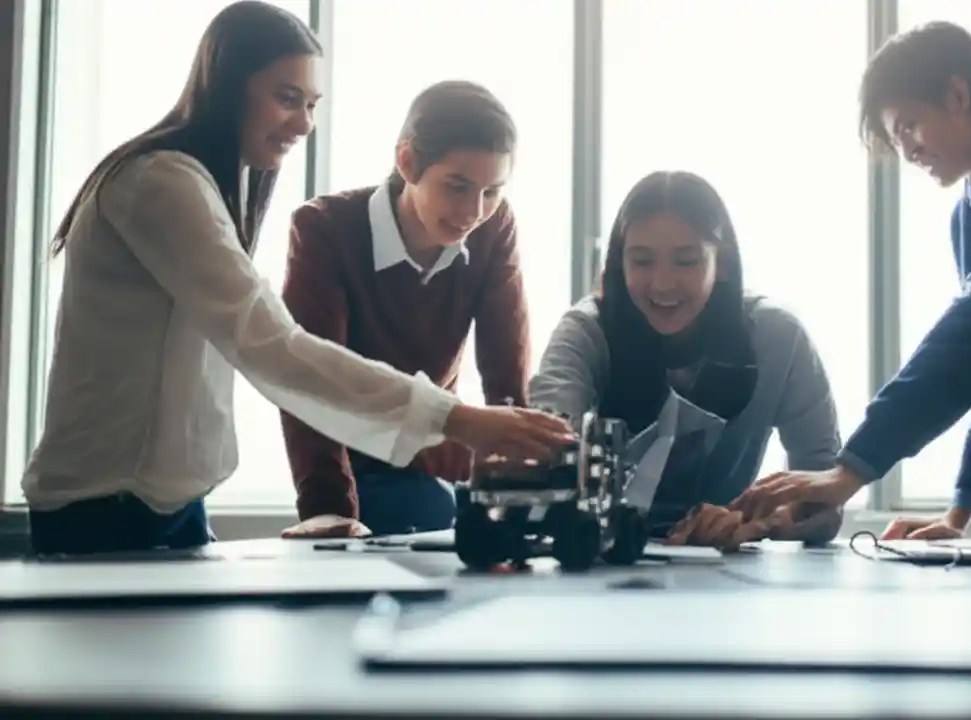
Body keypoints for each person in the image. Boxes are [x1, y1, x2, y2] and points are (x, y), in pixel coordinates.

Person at [21, 0, 572, 556]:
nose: (305, 123)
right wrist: (456, 420)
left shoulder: (207, 186)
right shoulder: (161, 184)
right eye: (287, 98)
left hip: (170, 506)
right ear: (228, 84)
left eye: (311, 104)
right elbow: (276, 348)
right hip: (104, 509)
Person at [732, 21, 971, 549]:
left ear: (958, 94)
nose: (909, 151)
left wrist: (853, 467)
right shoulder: (969, 213)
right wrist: (960, 512)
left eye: (910, 127)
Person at [529, 170, 842, 548]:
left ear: (721, 263)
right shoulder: (588, 330)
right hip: (604, 556)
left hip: (726, 570)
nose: (663, 284)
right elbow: (544, 438)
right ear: (617, 264)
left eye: (686, 261)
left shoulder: (777, 337)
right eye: (642, 262)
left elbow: (826, 494)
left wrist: (758, 520)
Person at [279, 81, 531, 539]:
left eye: (492, 191)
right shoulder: (324, 229)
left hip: (436, 453)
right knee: (417, 507)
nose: (474, 211)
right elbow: (309, 378)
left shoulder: (495, 228)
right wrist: (327, 508)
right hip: (350, 458)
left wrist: (521, 479)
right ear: (408, 162)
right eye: (458, 186)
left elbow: (505, 364)